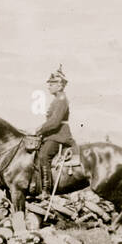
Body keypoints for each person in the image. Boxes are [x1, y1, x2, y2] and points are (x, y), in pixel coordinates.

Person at [34, 66, 73, 199]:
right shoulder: (57, 99)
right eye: (49, 84)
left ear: (60, 86)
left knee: (44, 156)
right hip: (53, 135)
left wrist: (40, 129)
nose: (49, 87)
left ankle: (46, 190)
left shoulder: (61, 100)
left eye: (52, 84)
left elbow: (55, 122)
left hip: (59, 135)